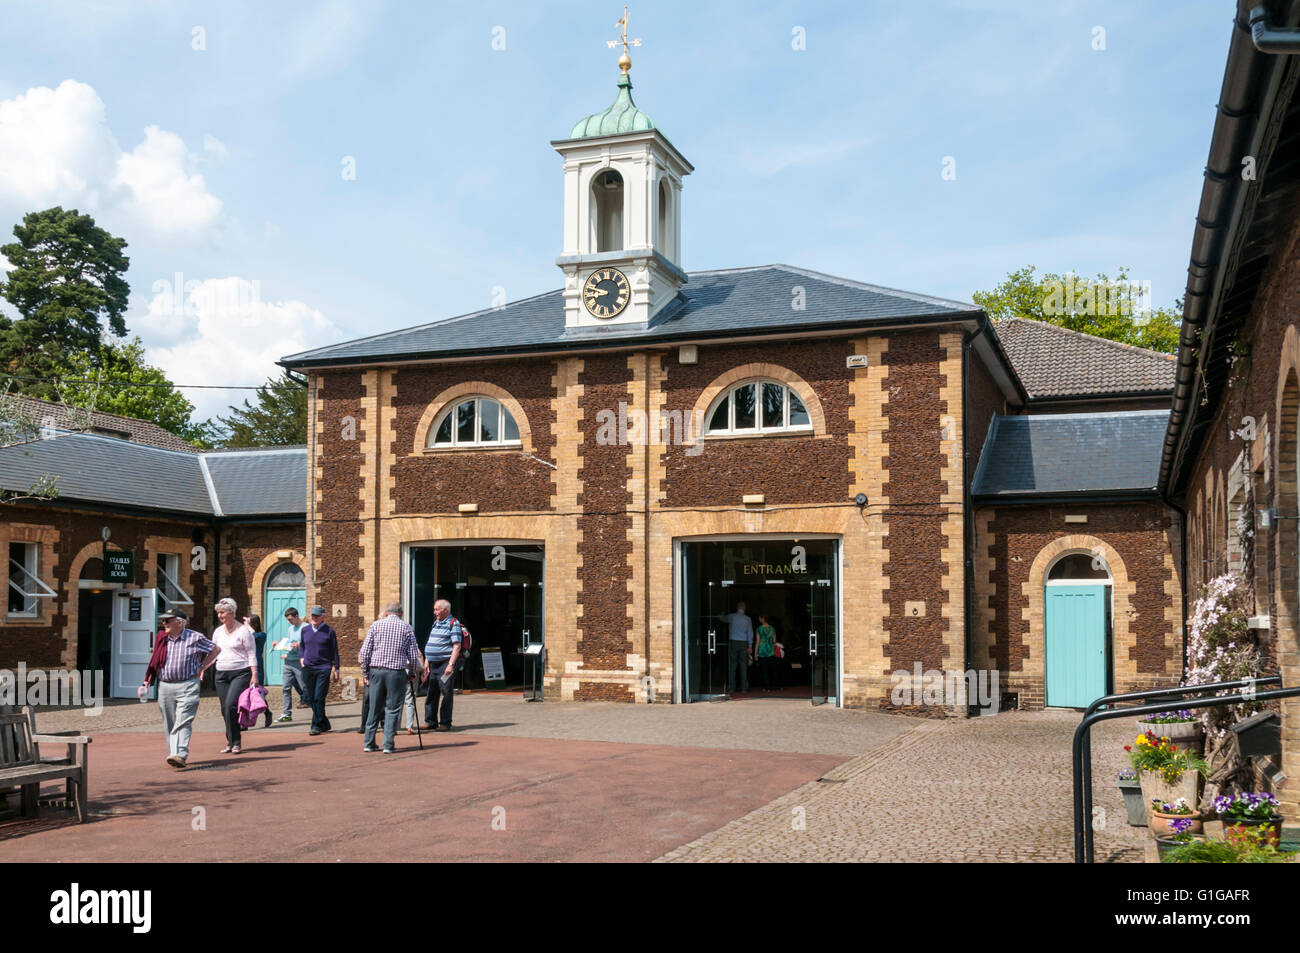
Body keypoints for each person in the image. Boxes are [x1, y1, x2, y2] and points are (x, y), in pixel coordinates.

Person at [141, 609, 220, 768]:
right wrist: (147, 681)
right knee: (170, 722)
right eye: (163, 621)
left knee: (183, 720)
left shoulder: (195, 637)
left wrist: (203, 666)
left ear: (179, 622)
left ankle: (181, 753)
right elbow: (155, 661)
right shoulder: (162, 639)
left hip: (188, 684)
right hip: (165, 685)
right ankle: (174, 753)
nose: (164, 624)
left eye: (167, 621)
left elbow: (216, 649)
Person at [359, 602, 428, 753]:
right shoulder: (406, 627)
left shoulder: (376, 626)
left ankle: (369, 742)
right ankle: (388, 745)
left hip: (376, 671)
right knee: (392, 708)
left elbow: (364, 652)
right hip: (396, 672)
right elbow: (412, 654)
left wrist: (365, 673)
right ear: (401, 613)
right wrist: (411, 673)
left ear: (386, 613)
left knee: (374, 707)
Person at [212, 597, 260, 754]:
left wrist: (254, 674)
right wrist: (202, 667)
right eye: (218, 613)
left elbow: (252, 653)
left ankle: (236, 741)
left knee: (231, 705)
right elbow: (213, 652)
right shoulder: (218, 632)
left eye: (223, 612)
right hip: (221, 673)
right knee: (224, 708)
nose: (220, 616)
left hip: (240, 672)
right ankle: (230, 741)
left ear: (232, 613)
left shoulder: (243, 631)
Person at [423, 599, 463, 731]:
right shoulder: (436, 623)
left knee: (446, 694)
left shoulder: (454, 624)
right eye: (434, 609)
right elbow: (431, 642)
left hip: (445, 664)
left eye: (437, 609)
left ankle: (445, 723)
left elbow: (457, 646)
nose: (435, 612)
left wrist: (451, 665)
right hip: (433, 664)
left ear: (446, 610)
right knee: (431, 693)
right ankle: (430, 721)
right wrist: (427, 661)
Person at [300, 605, 340, 735]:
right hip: (308, 667)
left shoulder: (329, 631)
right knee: (311, 698)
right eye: (312, 615)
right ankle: (324, 723)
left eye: (317, 615)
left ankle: (316, 725)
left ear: (323, 616)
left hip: (324, 668)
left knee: (319, 697)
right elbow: (302, 645)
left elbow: (334, 651)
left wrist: (336, 668)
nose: (314, 618)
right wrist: (301, 657)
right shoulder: (305, 630)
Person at [275, 607, 309, 722]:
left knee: (305, 687)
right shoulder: (290, 629)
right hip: (288, 661)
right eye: (288, 620)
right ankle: (287, 713)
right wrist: (280, 646)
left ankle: (317, 711)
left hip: (299, 661)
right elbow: (289, 643)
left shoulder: (305, 628)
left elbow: (309, 644)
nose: (289, 622)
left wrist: (299, 645)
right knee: (285, 687)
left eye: (290, 619)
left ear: (296, 616)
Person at [721, 601, 754, 694]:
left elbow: (722, 619)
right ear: (745, 608)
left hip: (733, 642)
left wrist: (721, 613)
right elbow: (750, 632)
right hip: (744, 643)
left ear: (737, 607)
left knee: (732, 666)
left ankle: (732, 688)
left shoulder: (732, 616)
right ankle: (744, 688)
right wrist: (750, 645)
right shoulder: (748, 619)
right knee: (743, 666)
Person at [250, 614, 271, 727]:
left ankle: (267, 712)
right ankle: (245, 723)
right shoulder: (247, 634)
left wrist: (249, 629)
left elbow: (254, 638)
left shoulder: (261, 635)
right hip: (247, 666)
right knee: (246, 694)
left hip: (258, 666)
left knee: (258, 693)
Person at [754, 614, 778, 692]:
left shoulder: (759, 629)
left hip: (762, 651)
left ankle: (767, 687)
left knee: (765, 671)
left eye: (759, 617)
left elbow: (757, 642)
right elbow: (774, 641)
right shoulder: (772, 628)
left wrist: (755, 654)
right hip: (771, 651)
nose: (758, 619)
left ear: (763, 618)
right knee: (773, 670)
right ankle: (773, 686)